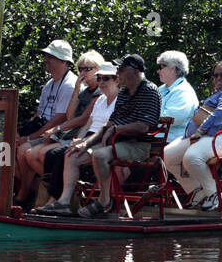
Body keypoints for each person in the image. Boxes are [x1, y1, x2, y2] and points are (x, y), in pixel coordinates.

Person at [76, 54, 161, 218]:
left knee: (100, 155)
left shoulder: (149, 91)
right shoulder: (123, 92)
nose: (118, 72)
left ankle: (103, 200)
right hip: (118, 143)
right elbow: (108, 124)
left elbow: (143, 126)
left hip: (139, 146)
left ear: (135, 71)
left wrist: (116, 129)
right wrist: (85, 143)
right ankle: (101, 199)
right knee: (81, 153)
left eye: (121, 69)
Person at [162, 61, 222, 212]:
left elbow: (221, 113)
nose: (218, 78)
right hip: (207, 136)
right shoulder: (218, 93)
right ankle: (197, 190)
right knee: (167, 155)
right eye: (215, 75)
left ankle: (214, 193)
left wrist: (201, 130)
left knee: (192, 156)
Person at [15, 39, 78, 206]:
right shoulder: (49, 85)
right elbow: (39, 115)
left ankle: (26, 193)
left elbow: (60, 118)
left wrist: (30, 138)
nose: (45, 59)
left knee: (23, 150)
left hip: (58, 132)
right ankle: (33, 188)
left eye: (51, 56)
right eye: (46, 56)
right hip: (45, 130)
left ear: (64, 61)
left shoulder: (69, 85)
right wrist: (21, 132)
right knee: (8, 146)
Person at [37, 51, 105, 203]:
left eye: (88, 69)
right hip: (77, 133)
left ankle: (56, 199)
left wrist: (57, 129)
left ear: (98, 69)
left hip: (90, 136)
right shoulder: (85, 91)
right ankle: (52, 197)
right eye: (80, 69)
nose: (83, 72)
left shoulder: (100, 92)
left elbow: (83, 119)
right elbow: (70, 116)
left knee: (55, 154)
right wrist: (76, 89)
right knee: (48, 155)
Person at [156, 50, 199, 143]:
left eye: (161, 67)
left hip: (171, 142)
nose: (158, 71)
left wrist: (145, 116)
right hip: (154, 137)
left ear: (173, 69)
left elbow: (173, 118)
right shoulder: (161, 89)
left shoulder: (184, 92)